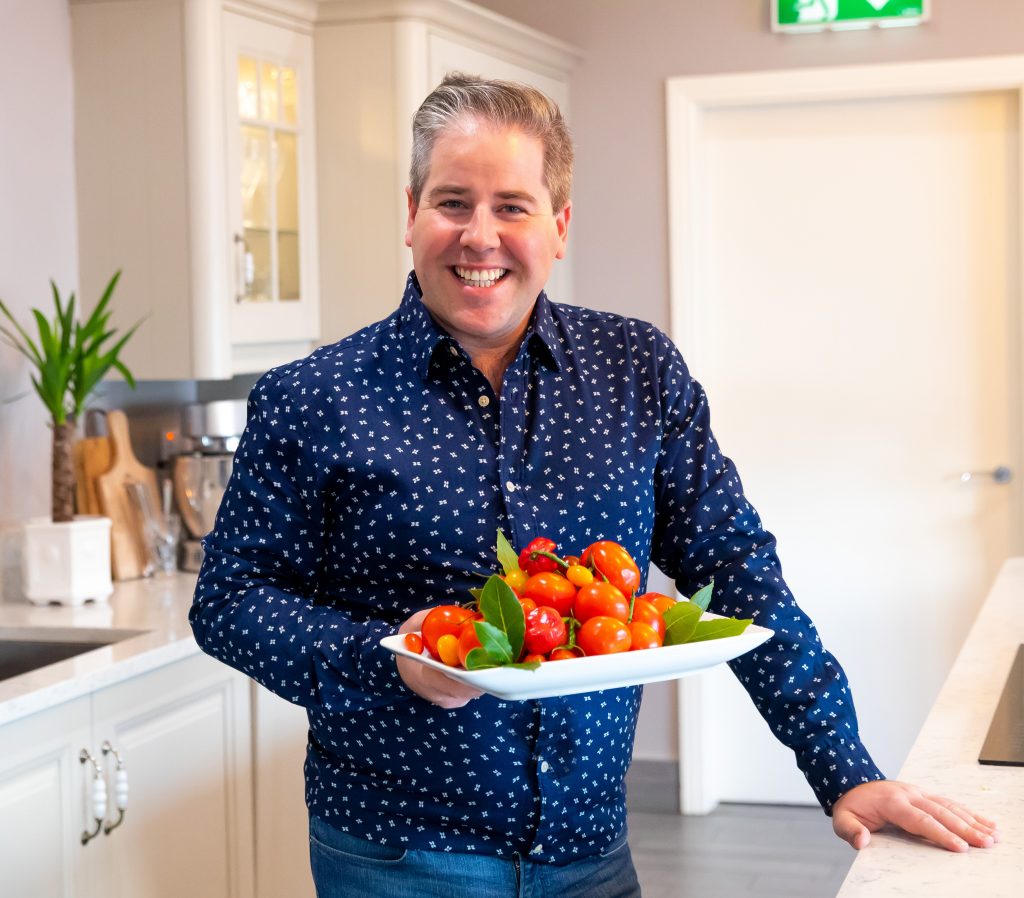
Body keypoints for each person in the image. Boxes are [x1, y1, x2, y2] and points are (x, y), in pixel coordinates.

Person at [189, 73, 998, 898]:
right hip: (397, 856)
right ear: (410, 214)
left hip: (592, 853)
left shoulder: (637, 370)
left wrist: (843, 769)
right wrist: (387, 658)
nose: (479, 236)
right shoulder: (313, 397)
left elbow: (739, 568)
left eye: (512, 206)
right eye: (452, 201)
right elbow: (229, 602)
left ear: (559, 226)